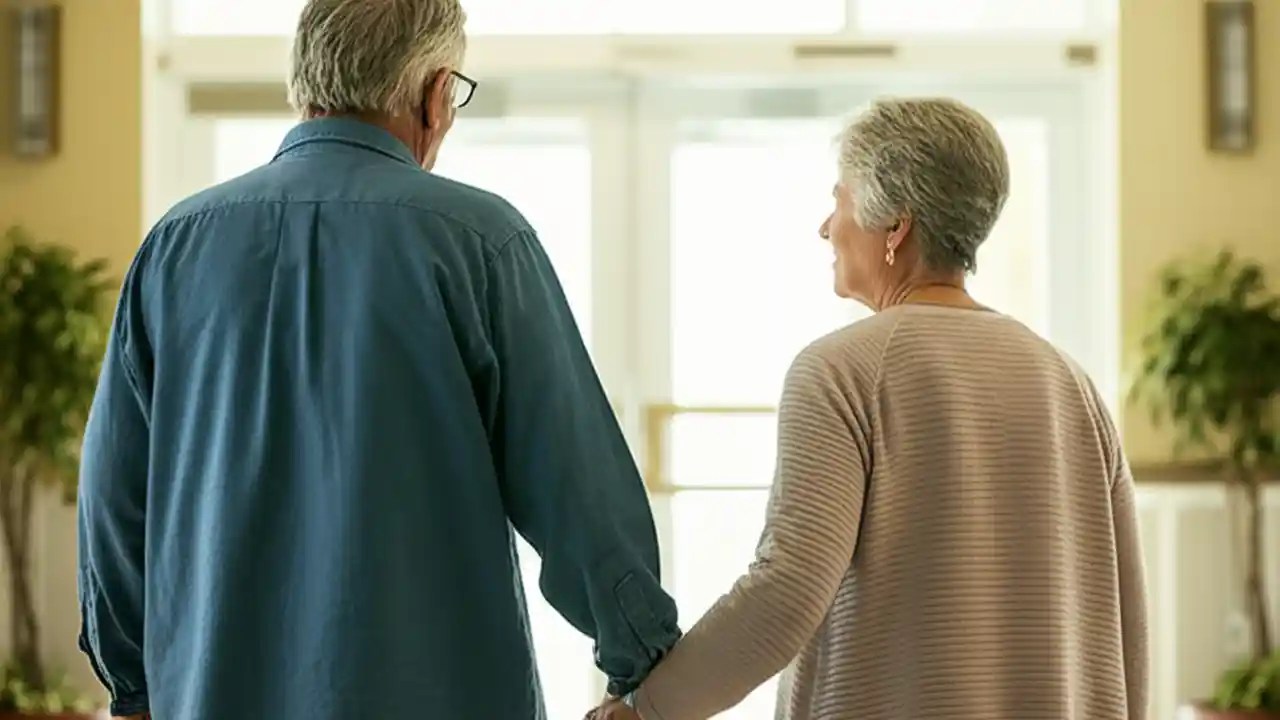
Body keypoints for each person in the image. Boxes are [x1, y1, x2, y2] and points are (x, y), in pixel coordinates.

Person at [76, 0, 680, 718]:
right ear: (433, 93)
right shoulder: (478, 242)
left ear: (304, 85)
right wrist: (640, 664)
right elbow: (577, 488)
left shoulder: (174, 248)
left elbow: (114, 499)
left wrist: (134, 687)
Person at [591, 97, 1148, 720]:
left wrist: (649, 707)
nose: (827, 228)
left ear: (896, 227)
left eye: (840, 201)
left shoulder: (840, 371)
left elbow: (786, 589)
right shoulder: (1070, 382)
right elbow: (1123, 620)